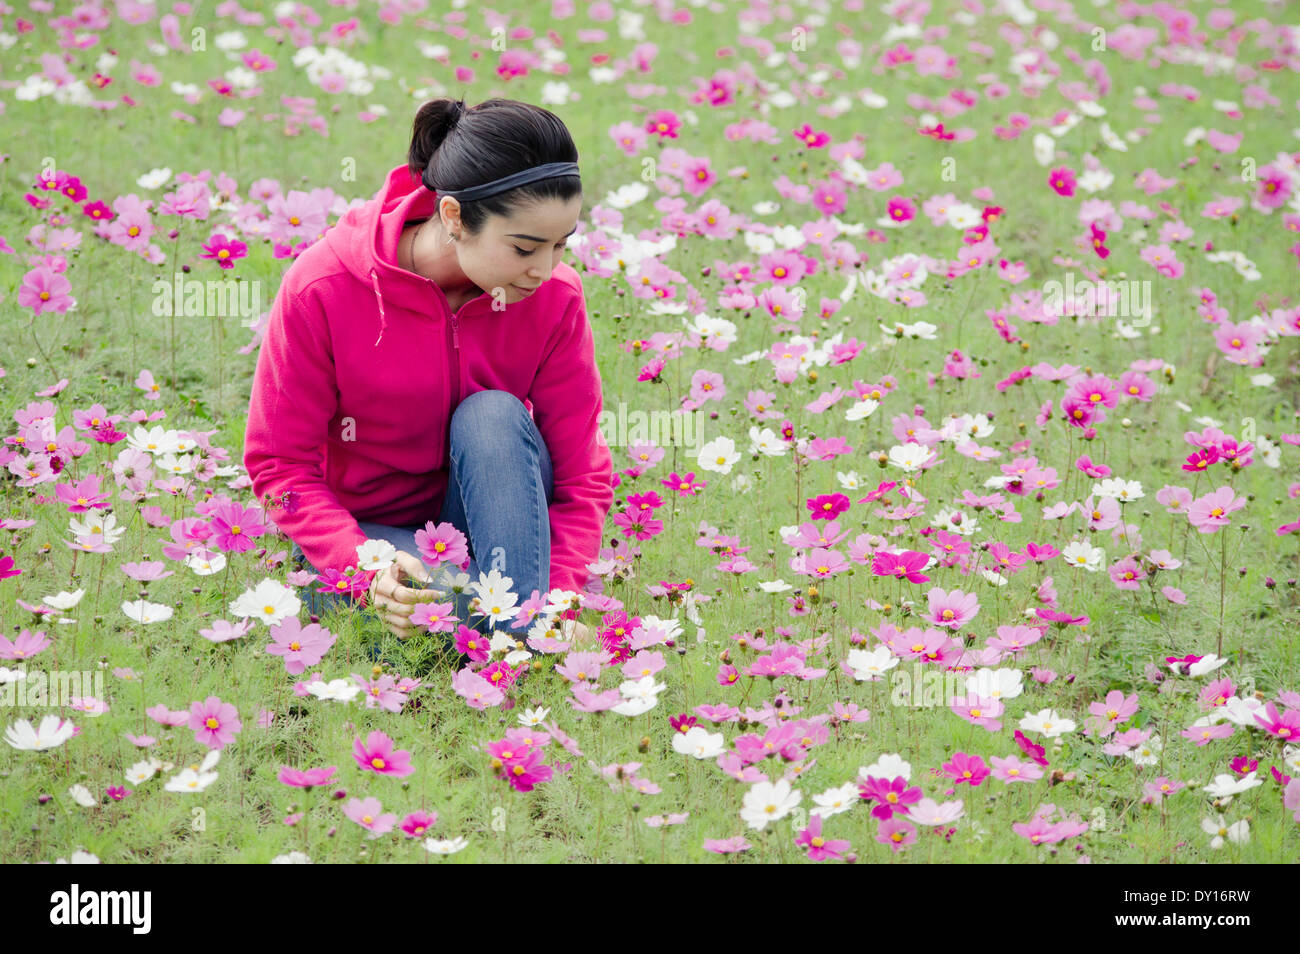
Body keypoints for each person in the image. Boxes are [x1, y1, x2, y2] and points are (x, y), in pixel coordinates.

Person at [243, 96, 614, 643]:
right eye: (524, 247)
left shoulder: (554, 297)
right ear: (454, 216)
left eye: (562, 244)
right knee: (417, 600)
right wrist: (365, 568)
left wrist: (561, 592)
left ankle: (518, 626)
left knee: (492, 414)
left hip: (495, 529)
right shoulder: (322, 286)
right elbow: (280, 464)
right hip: (369, 537)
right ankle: (513, 632)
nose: (545, 269)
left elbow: (581, 473)